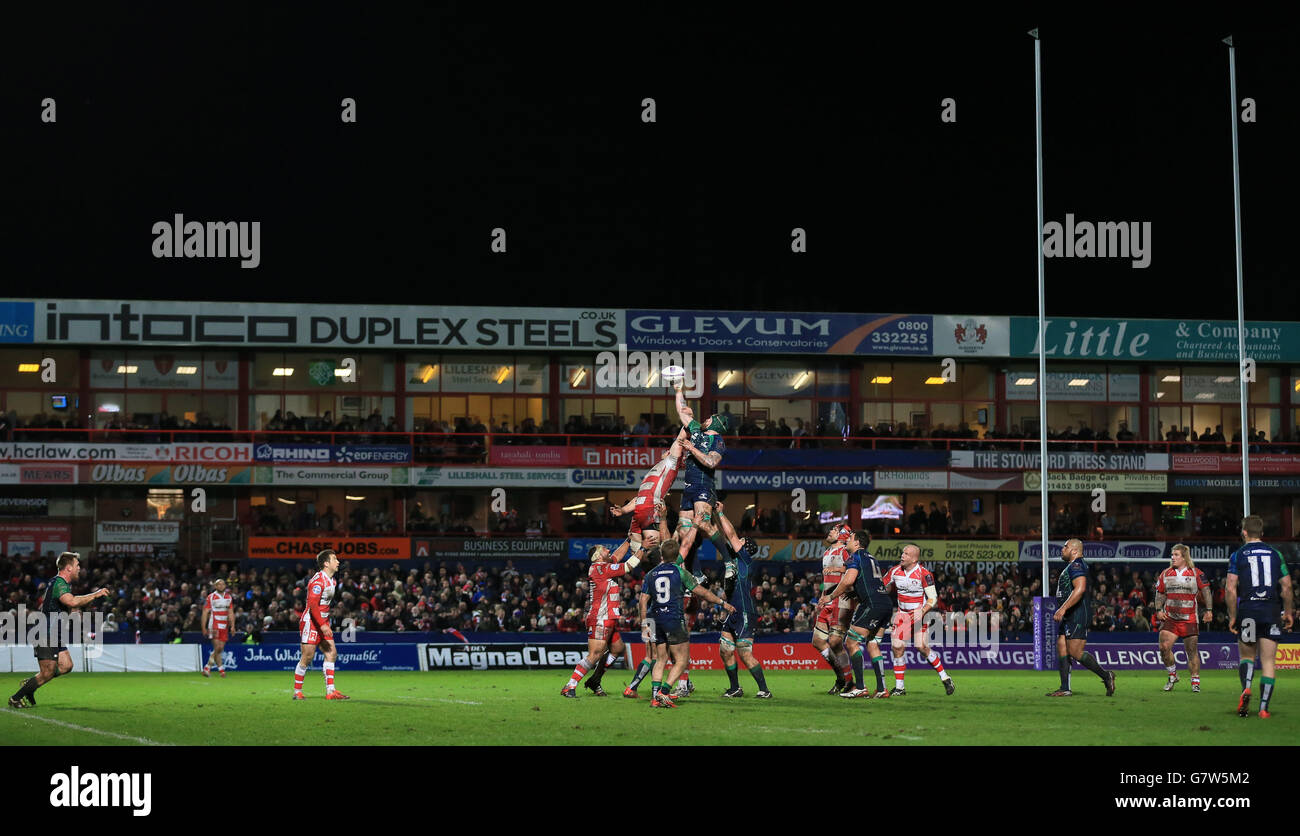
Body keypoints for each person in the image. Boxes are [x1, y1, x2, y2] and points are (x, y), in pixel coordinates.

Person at [640, 537, 734, 707]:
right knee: (682, 660)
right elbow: (703, 593)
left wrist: (644, 623)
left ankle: (655, 697)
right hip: (674, 619)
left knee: (660, 659)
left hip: (655, 619)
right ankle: (664, 693)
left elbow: (642, 601)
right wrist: (722, 602)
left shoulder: (651, 574)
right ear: (677, 555)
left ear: (661, 554)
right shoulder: (681, 572)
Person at [9, 552, 109, 709]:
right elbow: (72, 601)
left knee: (66, 665)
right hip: (46, 633)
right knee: (47, 672)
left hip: (54, 633)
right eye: (77, 565)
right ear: (68, 568)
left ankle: (31, 684)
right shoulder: (60, 583)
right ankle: (16, 698)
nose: (79, 568)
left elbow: (65, 604)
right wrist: (95, 595)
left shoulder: (60, 583)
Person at [1226, 515, 1294, 718]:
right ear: (1262, 533)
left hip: (1248, 610)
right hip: (1271, 611)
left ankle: (1246, 688)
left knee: (1247, 656)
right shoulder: (1276, 554)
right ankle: (1263, 708)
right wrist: (1288, 612)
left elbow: (1230, 588)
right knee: (1268, 662)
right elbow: (1287, 586)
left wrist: (1232, 616)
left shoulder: (1238, 555)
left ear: (1244, 532)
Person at [560, 540, 645, 698]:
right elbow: (627, 566)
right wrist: (644, 548)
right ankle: (569, 686)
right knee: (595, 654)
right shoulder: (599, 568)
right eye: (605, 549)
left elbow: (617, 556)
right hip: (600, 617)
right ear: (598, 556)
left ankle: (595, 680)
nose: (608, 550)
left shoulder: (604, 567)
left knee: (618, 649)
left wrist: (628, 540)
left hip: (608, 617)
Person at [819, 530, 895, 698]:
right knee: (873, 645)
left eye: (850, 538)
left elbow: (848, 581)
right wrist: (856, 593)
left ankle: (859, 687)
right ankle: (882, 689)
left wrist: (830, 596)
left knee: (852, 642)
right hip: (886, 604)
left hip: (872, 604)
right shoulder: (871, 558)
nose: (847, 540)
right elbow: (871, 581)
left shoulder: (855, 556)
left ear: (857, 543)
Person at [712, 504, 772, 699]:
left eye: (741, 539)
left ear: (745, 546)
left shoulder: (745, 559)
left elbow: (730, 535)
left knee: (745, 653)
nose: (738, 539)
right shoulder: (733, 559)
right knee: (725, 650)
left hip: (745, 611)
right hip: (733, 611)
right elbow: (724, 535)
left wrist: (721, 512)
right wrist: (714, 517)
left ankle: (764, 689)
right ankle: (735, 688)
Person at [882, 544, 955, 696]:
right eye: (902, 553)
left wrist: (922, 611)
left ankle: (945, 677)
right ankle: (900, 687)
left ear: (914, 559)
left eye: (906, 554)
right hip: (902, 615)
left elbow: (933, 598)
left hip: (919, 615)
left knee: (921, 647)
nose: (902, 556)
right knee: (897, 647)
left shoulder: (924, 573)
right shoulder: (895, 571)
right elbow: (882, 586)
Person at [1048, 538, 1116, 697]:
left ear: (1074, 551)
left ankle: (1106, 676)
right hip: (1070, 615)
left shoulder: (1077, 565)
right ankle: (1065, 688)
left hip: (1077, 614)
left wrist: (1063, 608)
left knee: (1075, 652)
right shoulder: (1071, 566)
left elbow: (1080, 588)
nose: (1062, 549)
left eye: (1065, 547)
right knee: (1062, 646)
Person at [672, 378, 727, 566]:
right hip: (688, 487)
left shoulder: (718, 440)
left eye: (709, 418)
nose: (705, 419)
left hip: (704, 485)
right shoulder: (695, 429)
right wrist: (679, 389)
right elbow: (682, 410)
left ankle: (728, 562)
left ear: (715, 424)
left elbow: (711, 462)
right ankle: (693, 571)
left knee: (704, 524)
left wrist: (691, 448)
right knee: (682, 529)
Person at [609, 428, 687, 551]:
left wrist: (687, 419)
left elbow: (680, 438)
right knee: (637, 556)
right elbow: (639, 498)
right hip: (638, 514)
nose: (667, 451)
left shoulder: (672, 462)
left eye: (669, 450)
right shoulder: (656, 468)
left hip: (651, 511)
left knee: (653, 553)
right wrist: (623, 510)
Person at [1153, 544, 1212, 692]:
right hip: (1171, 618)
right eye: (1172, 555)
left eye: (1176, 555)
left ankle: (1195, 681)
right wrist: (1159, 610)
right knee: (1164, 647)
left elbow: (1206, 591)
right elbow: (1159, 594)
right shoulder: (1165, 574)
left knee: (1191, 651)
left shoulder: (1196, 573)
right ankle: (1173, 675)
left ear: (1184, 557)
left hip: (1189, 618)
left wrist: (1209, 610)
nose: (1173, 557)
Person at [294, 549, 348, 700]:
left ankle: (331, 691)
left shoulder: (332, 580)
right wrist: (323, 625)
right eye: (335, 559)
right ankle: (297, 691)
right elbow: (312, 605)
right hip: (311, 622)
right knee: (308, 657)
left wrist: (326, 622)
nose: (338, 562)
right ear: (326, 563)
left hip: (323, 621)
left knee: (332, 654)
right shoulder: (318, 581)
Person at [811, 524, 855, 693]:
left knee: (835, 642)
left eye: (834, 530)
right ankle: (841, 676)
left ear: (843, 535)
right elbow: (827, 578)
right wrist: (822, 598)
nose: (829, 532)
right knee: (817, 641)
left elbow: (852, 570)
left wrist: (837, 568)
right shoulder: (827, 552)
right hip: (827, 601)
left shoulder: (845, 551)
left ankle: (849, 681)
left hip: (841, 601)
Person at [202, 578, 236, 678]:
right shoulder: (211, 597)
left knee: (220, 649)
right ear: (215, 586)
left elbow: (230, 612)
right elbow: (205, 612)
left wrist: (233, 626)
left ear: (225, 586)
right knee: (217, 647)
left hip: (224, 625)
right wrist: (203, 627)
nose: (221, 586)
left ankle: (221, 669)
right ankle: (207, 667)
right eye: (219, 584)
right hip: (214, 624)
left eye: (223, 584)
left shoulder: (229, 597)